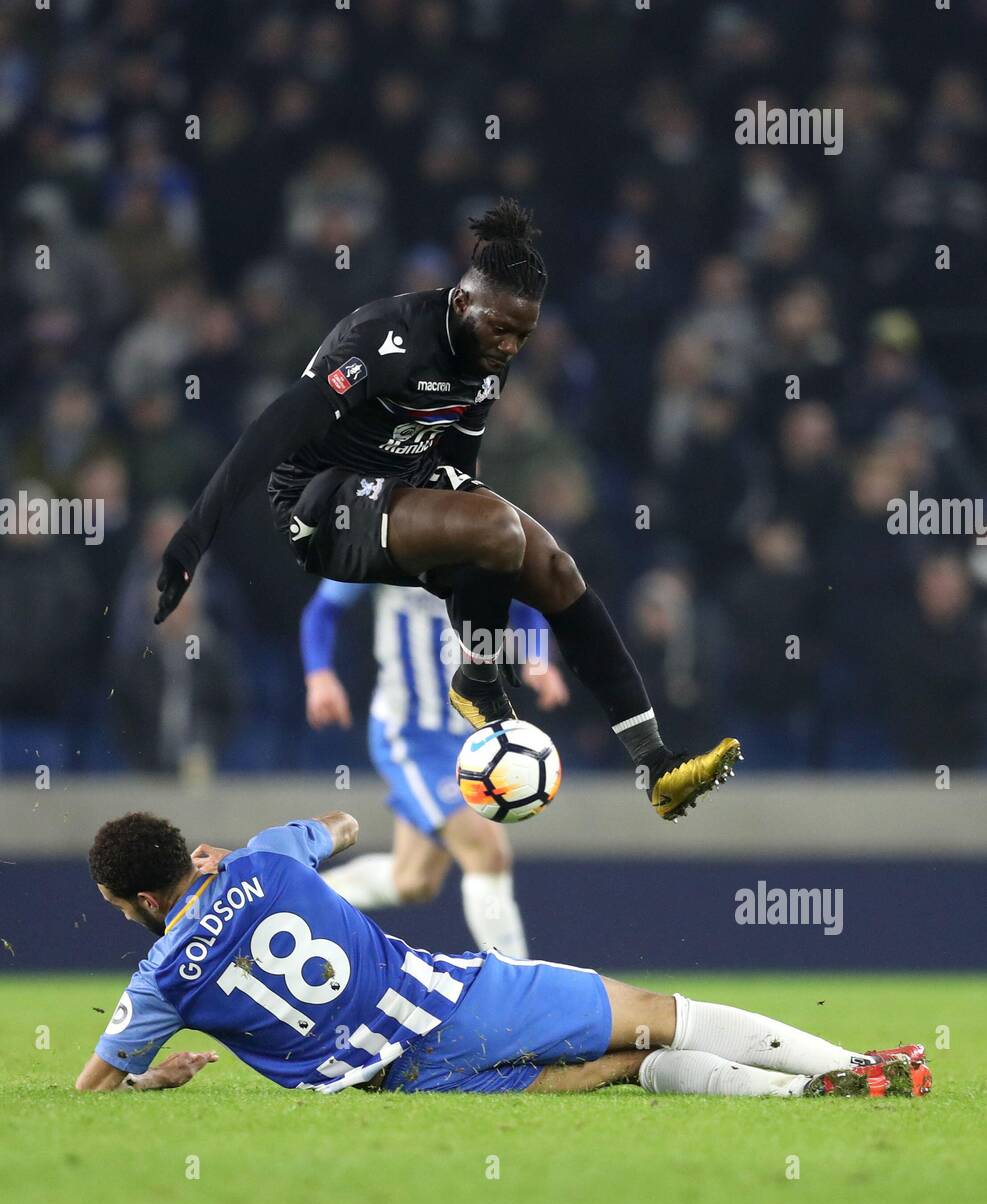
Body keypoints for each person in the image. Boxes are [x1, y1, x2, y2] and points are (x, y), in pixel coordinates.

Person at [153, 198, 741, 823]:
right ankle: (479, 681)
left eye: (525, 335)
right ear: (463, 303)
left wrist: (470, 564)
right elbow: (273, 429)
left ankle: (655, 764)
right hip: (322, 501)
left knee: (557, 569)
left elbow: (458, 462)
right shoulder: (388, 340)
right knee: (498, 530)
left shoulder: (489, 359)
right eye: (502, 329)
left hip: (404, 490)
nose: (512, 346)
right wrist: (192, 539)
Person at [77, 811, 931, 1100]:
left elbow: (93, 1089)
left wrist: (152, 1079)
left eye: (121, 909)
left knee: (616, 1070)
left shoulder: (159, 981)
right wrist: (263, 846)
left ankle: (804, 1098)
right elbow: (340, 826)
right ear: (184, 858)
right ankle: (850, 1070)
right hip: (450, 1001)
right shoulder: (260, 857)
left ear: (146, 902)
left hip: (396, 1081)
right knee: (651, 1017)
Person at [302, 579, 569, 956]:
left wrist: (537, 658)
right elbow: (323, 609)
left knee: (413, 880)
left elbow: (527, 605)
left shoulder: (487, 538)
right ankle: (518, 989)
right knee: (486, 851)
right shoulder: (382, 537)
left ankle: (302, 897)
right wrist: (319, 673)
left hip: (466, 731)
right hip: (411, 734)